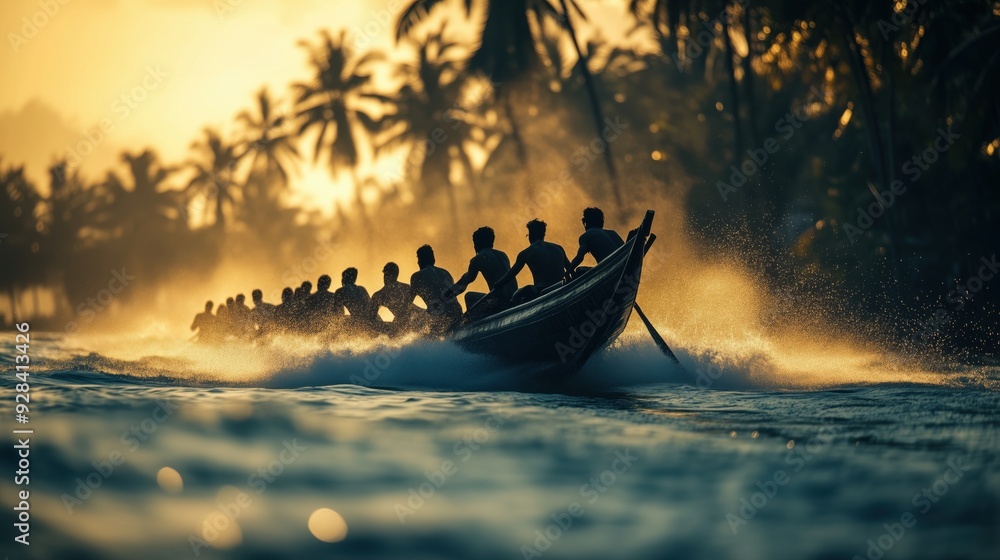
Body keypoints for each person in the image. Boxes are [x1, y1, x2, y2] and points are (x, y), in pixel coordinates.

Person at [494, 219, 571, 305]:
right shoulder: (558, 248)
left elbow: (510, 275)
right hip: (561, 287)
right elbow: (570, 269)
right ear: (543, 234)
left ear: (531, 235)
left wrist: (498, 284)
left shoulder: (526, 253)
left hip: (542, 291)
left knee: (518, 294)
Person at [446, 226, 516, 312]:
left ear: (476, 243)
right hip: (514, 298)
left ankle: (470, 323)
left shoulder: (478, 258)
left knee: (469, 296)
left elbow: (464, 283)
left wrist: (448, 295)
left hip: (501, 302)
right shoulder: (502, 255)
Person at [409, 245, 462, 332]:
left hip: (441, 319)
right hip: (458, 314)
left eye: (418, 259)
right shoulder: (445, 272)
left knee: (416, 317)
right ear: (433, 259)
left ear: (420, 261)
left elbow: (408, 303)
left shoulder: (416, 276)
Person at [567, 207, 625, 277]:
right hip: (624, 268)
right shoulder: (613, 233)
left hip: (609, 271)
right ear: (602, 223)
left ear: (585, 223)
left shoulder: (586, 236)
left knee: (580, 270)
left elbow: (579, 258)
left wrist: (567, 272)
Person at [372, 262, 416, 333]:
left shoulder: (379, 294)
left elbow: (371, 319)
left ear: (385, 275)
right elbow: (405, 312)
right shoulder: (407, 287)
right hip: (417, 319)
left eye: (385, 275)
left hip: (405, 323)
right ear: (396, 275)